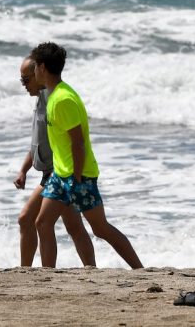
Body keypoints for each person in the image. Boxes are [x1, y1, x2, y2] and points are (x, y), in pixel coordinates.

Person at [30, 42, 143, 269]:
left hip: (77, 175)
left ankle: (140, 270)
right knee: (42, 223)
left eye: (34, 67)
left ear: (42, 67)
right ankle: (47, 276)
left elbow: (78, 142)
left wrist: (78, 176)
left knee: (100, 228)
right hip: (61, 175)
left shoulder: (63, 99)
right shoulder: (53, 95)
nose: (32, 72)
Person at [13, 57, 96, 267]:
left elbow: (74, 141)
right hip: (54, 173)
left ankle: (35, 272)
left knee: (30, 219)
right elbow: (38, 143)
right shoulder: (42, 100)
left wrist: (74, 175)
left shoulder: (54, 98)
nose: (24, 85)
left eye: (26, 80)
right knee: (74, 227)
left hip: (58, 173)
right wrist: (24, 169)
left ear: (40, 73)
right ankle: (90, 269)